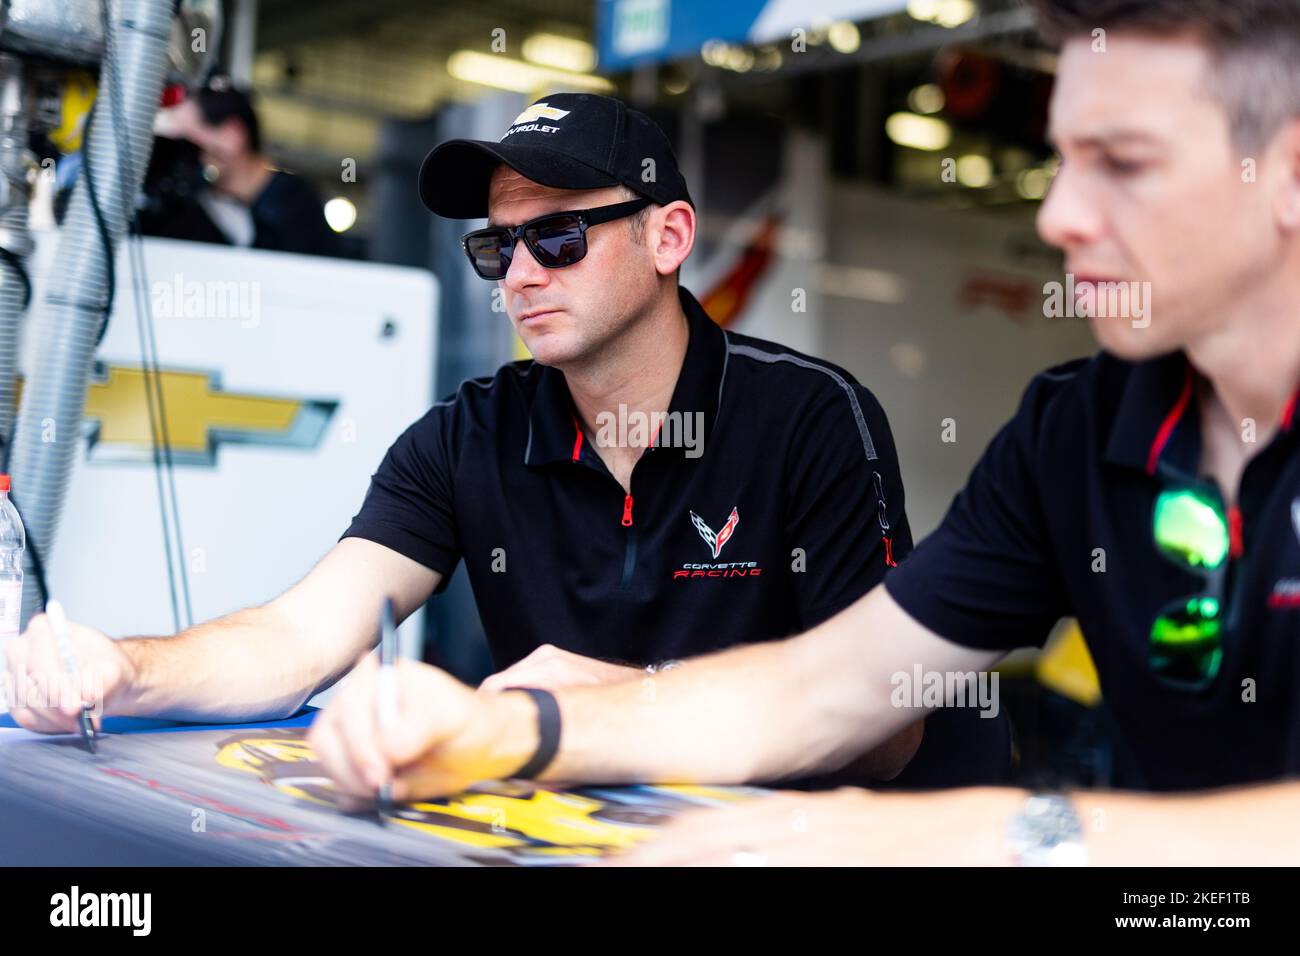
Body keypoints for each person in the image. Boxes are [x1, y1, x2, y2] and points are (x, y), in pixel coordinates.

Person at [302, 0, 1300, 865]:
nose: (1059, 215)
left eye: (1122, 162)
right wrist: (507, 724)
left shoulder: (809, 413)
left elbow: (893, 749)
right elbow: (828, 685)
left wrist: (976, 835)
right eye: (1064, 158)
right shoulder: (1075, 429)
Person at [6, 93, 1005, 788]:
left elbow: (885, 730)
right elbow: (300, 635)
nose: (519, 272)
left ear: (667, 238)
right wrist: (122, 666)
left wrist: (595, 701)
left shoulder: (808, 415)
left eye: (559, 238)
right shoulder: (467, 434)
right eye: (497, 245)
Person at [143, 78, 340, 257]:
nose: (186, 156)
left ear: (232, 135)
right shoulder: (197, 205)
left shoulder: (295, 204)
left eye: (190, 142)